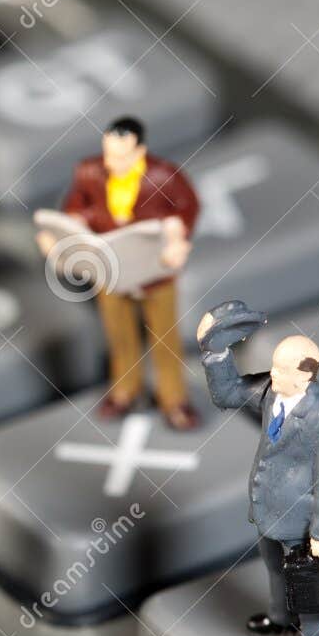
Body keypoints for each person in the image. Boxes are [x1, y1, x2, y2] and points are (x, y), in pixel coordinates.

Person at [196, 300, 319, 636]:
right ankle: (281, 620)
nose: (272, 373)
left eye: (281, 369)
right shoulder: (271, 390)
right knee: (276, 570)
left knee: (306, 577)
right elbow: (227, 394)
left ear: (305, 375)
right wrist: (216, 352)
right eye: (275, 366)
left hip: (301, 515)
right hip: (268, 508)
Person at [35, 116, 202, 430]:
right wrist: (62, 235)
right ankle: (126, 390)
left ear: (139, 151)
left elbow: (187, 206)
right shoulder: (89, 172)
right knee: (119, 335)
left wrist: (178, 236)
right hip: (109, 271)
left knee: (164, 339)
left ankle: (173, 400)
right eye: (109, 153)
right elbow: (76, 205)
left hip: (155, 271)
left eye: (121, 155)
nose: (112, 161)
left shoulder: (164, 177)